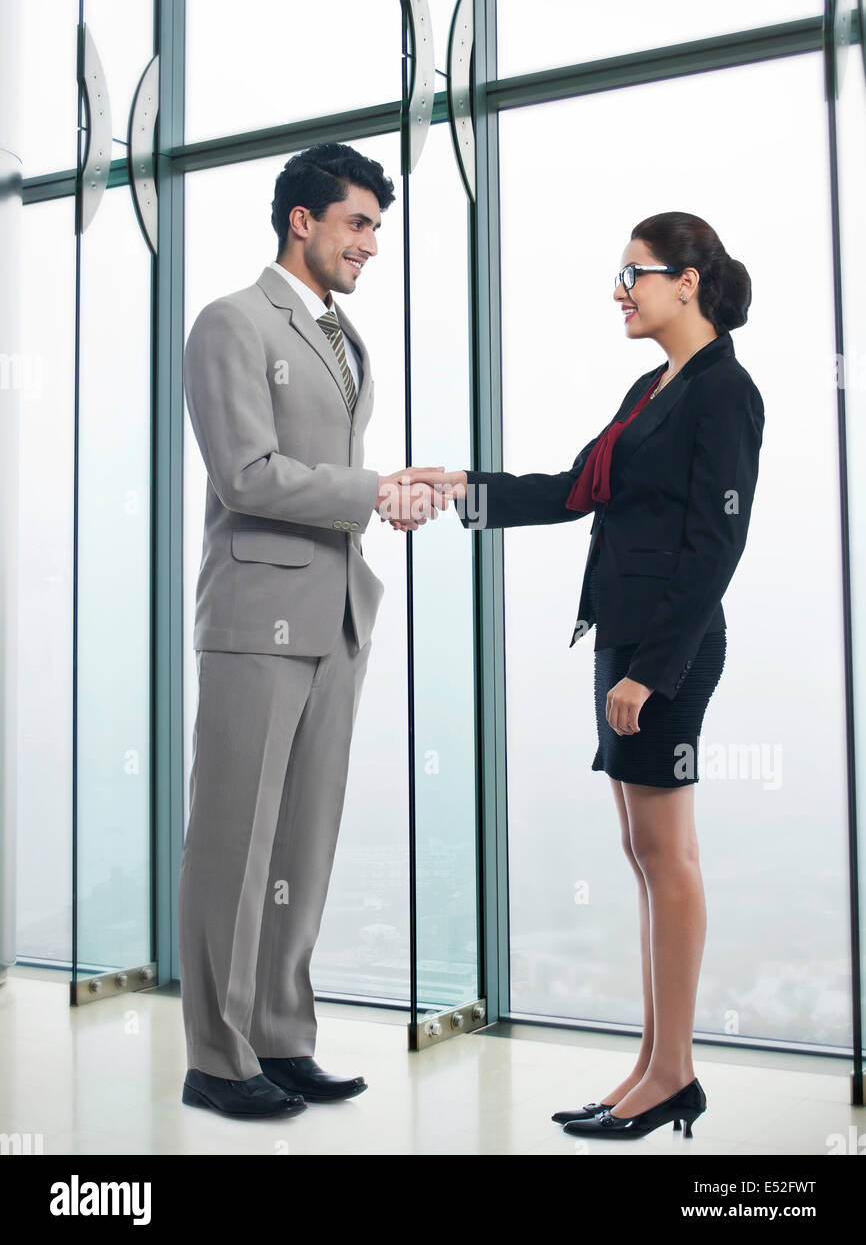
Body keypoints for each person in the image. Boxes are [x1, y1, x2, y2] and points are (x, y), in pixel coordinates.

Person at [399, 211, 765, 1141]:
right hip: (624, 644)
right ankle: (653, 1065)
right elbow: (575, 489)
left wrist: (648, 671)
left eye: (632, 273)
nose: (618, 291)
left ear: (688, 280)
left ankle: (674, 1072)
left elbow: (716, 547)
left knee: (668, 859)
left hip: (664, 655)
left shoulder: (725, 392)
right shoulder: (653, 387)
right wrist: (461, 489)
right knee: (646, 859)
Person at [178, 143, 446, 1118]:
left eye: (376, 225)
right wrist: (371, 491)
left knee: (302, 841)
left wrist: (387, 496)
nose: (372, 243)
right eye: (359, 222)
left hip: (335, 615)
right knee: (232, 841)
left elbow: (328, 477)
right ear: (303, 219)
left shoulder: (344, 338)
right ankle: (216, 1053)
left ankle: (281, 1039)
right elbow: (244, 474)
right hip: (257, 617)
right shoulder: (230, 323)